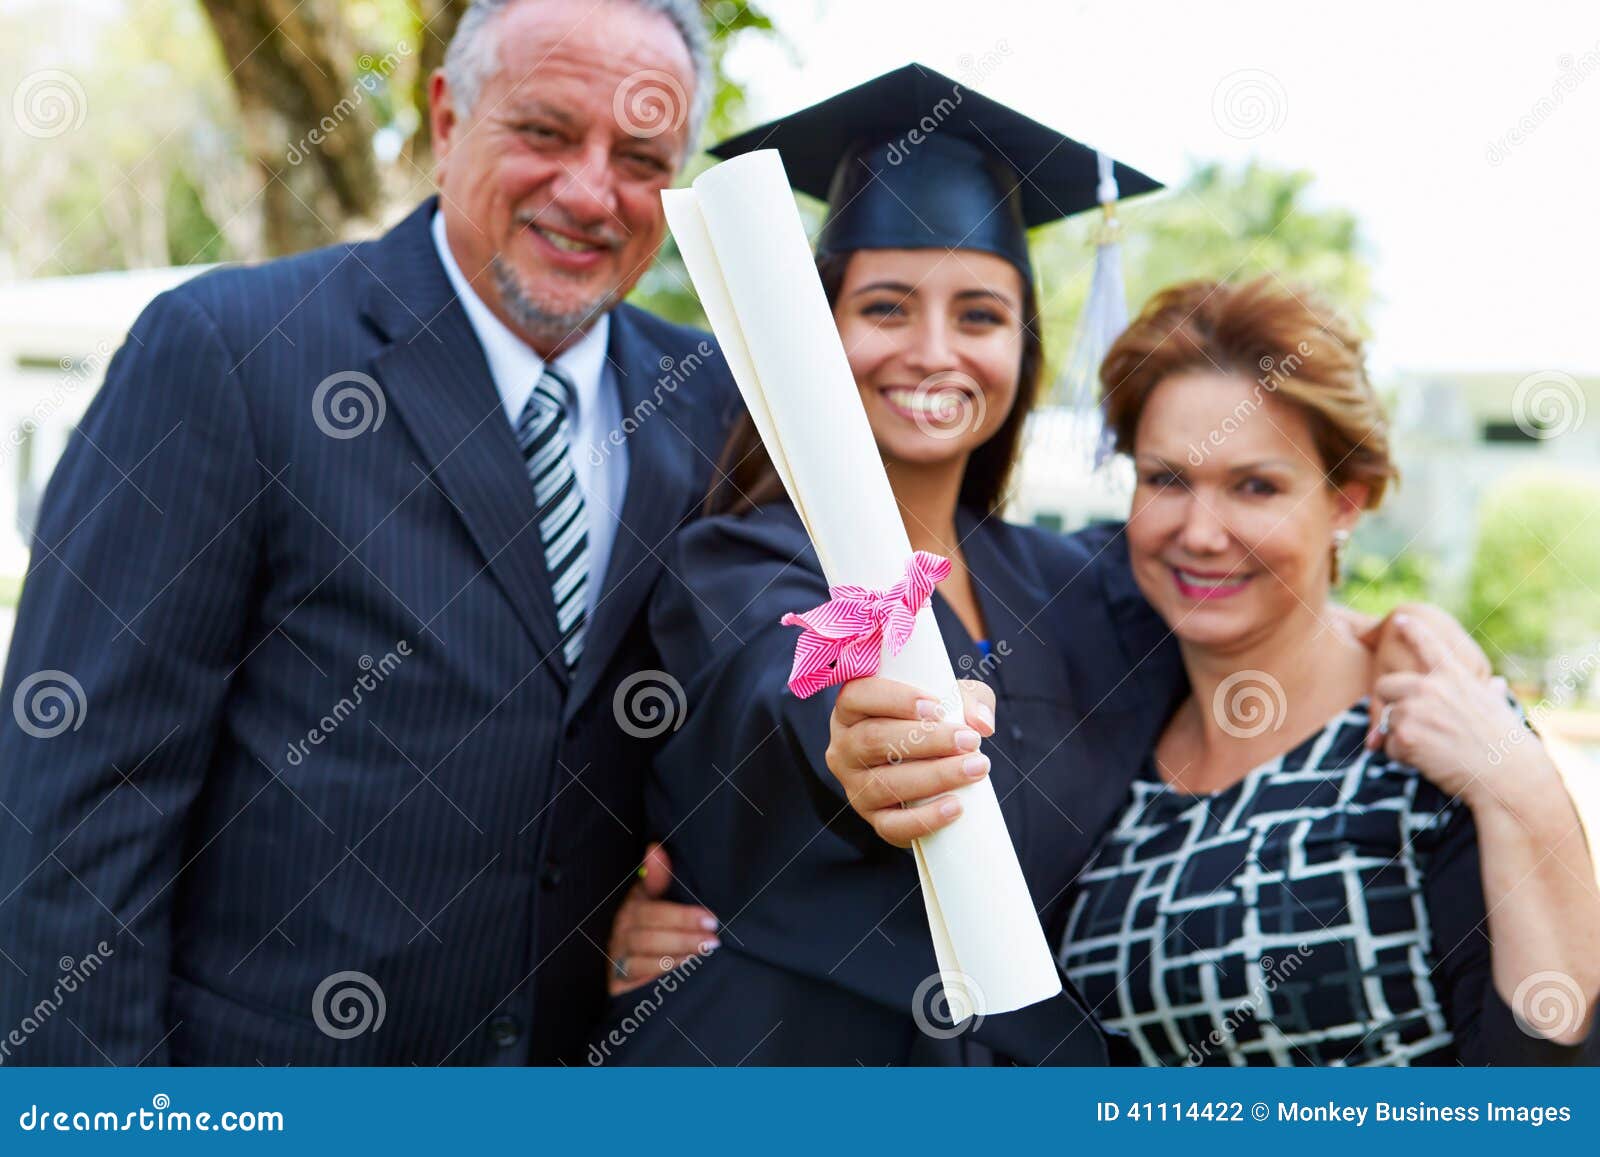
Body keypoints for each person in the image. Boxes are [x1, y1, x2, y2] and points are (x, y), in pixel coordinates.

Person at [594, 67, 1462, 1065]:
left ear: (1024, 346)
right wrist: (862, 741)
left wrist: (1411, 640)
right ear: (819, 331)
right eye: (883, 306)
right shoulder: (739, 564)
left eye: (978, 314)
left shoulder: (1086, 585)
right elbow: (777, 691)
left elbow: (1254, 599)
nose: (932, 350)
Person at [0, 0, 730, 1065]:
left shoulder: (707, 406)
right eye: (543, 131)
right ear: (445, 118)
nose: (588, 190)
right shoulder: (234, 355)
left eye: (639, 156)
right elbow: (77, 805)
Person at [825, 277, 1600, 1065]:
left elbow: (1550, 1066)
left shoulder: (1439, 730)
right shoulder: (1114, 734)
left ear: (1346, 502)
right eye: (1166, 479)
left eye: (1255, 486)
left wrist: (1521, 781)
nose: (1201, 532)